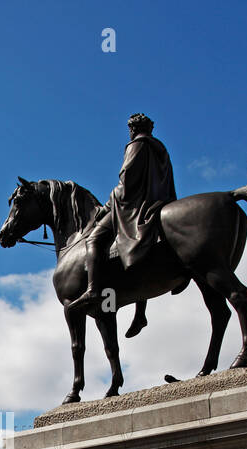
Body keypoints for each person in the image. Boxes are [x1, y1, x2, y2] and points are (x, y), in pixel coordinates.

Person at [64, 112, 176, 323]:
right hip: (157, 202)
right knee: (141, 251)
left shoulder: (135, 145)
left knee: (94, 239)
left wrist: (106, 206)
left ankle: (93, 290)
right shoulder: (161, 149)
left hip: (133, 206)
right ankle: (140, 312)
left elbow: (126, 181)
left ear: (132, 129)